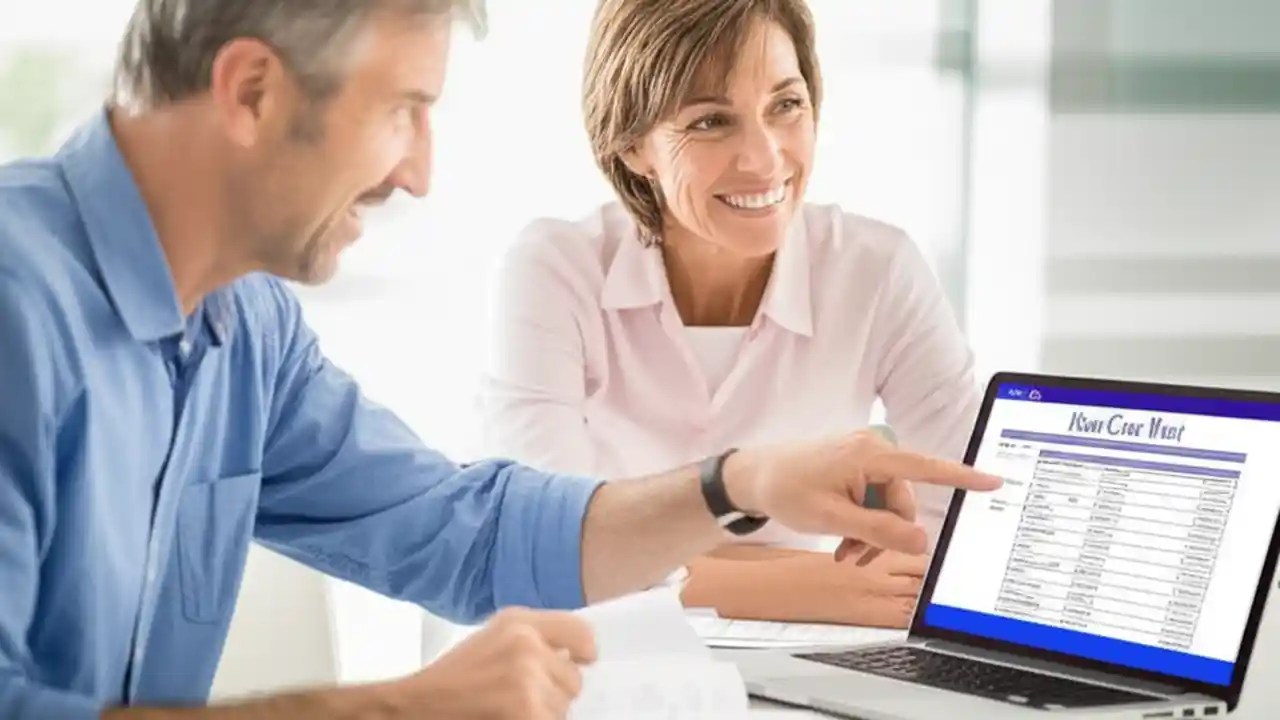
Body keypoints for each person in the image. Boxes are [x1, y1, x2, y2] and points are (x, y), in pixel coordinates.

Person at [0, 1, 1000, 718]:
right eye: (402, 109)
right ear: (252, 91)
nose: (420, 174)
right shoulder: (18, 309)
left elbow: (463, 530)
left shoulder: (245, 329)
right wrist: (399, 709)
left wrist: (737, 482)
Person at [481, 0, 982, 629]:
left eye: (786, 105)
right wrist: (802, 585)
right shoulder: (556, 269)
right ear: (633, 145)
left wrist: (657, 567)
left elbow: (964, 536)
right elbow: (542, 549)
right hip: (613, 661)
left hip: (823, 652)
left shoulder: (877, 268)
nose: (765, 158)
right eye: (711, 121)